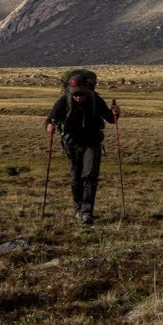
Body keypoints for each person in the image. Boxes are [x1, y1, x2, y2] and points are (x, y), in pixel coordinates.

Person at [45, 69, 117, 225]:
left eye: (81, 94)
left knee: (90, 175)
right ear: (70, 92)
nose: (78, 97)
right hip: (72, 143)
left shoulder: (95, 99)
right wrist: (49, 127)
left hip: (92, 142)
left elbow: (111, 118)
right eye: (75, 94)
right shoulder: (64, 100)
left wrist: (116, 113)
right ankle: (78, 208)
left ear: (87, 90)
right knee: (76, 177)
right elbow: (50, 119)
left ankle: (87, 212)